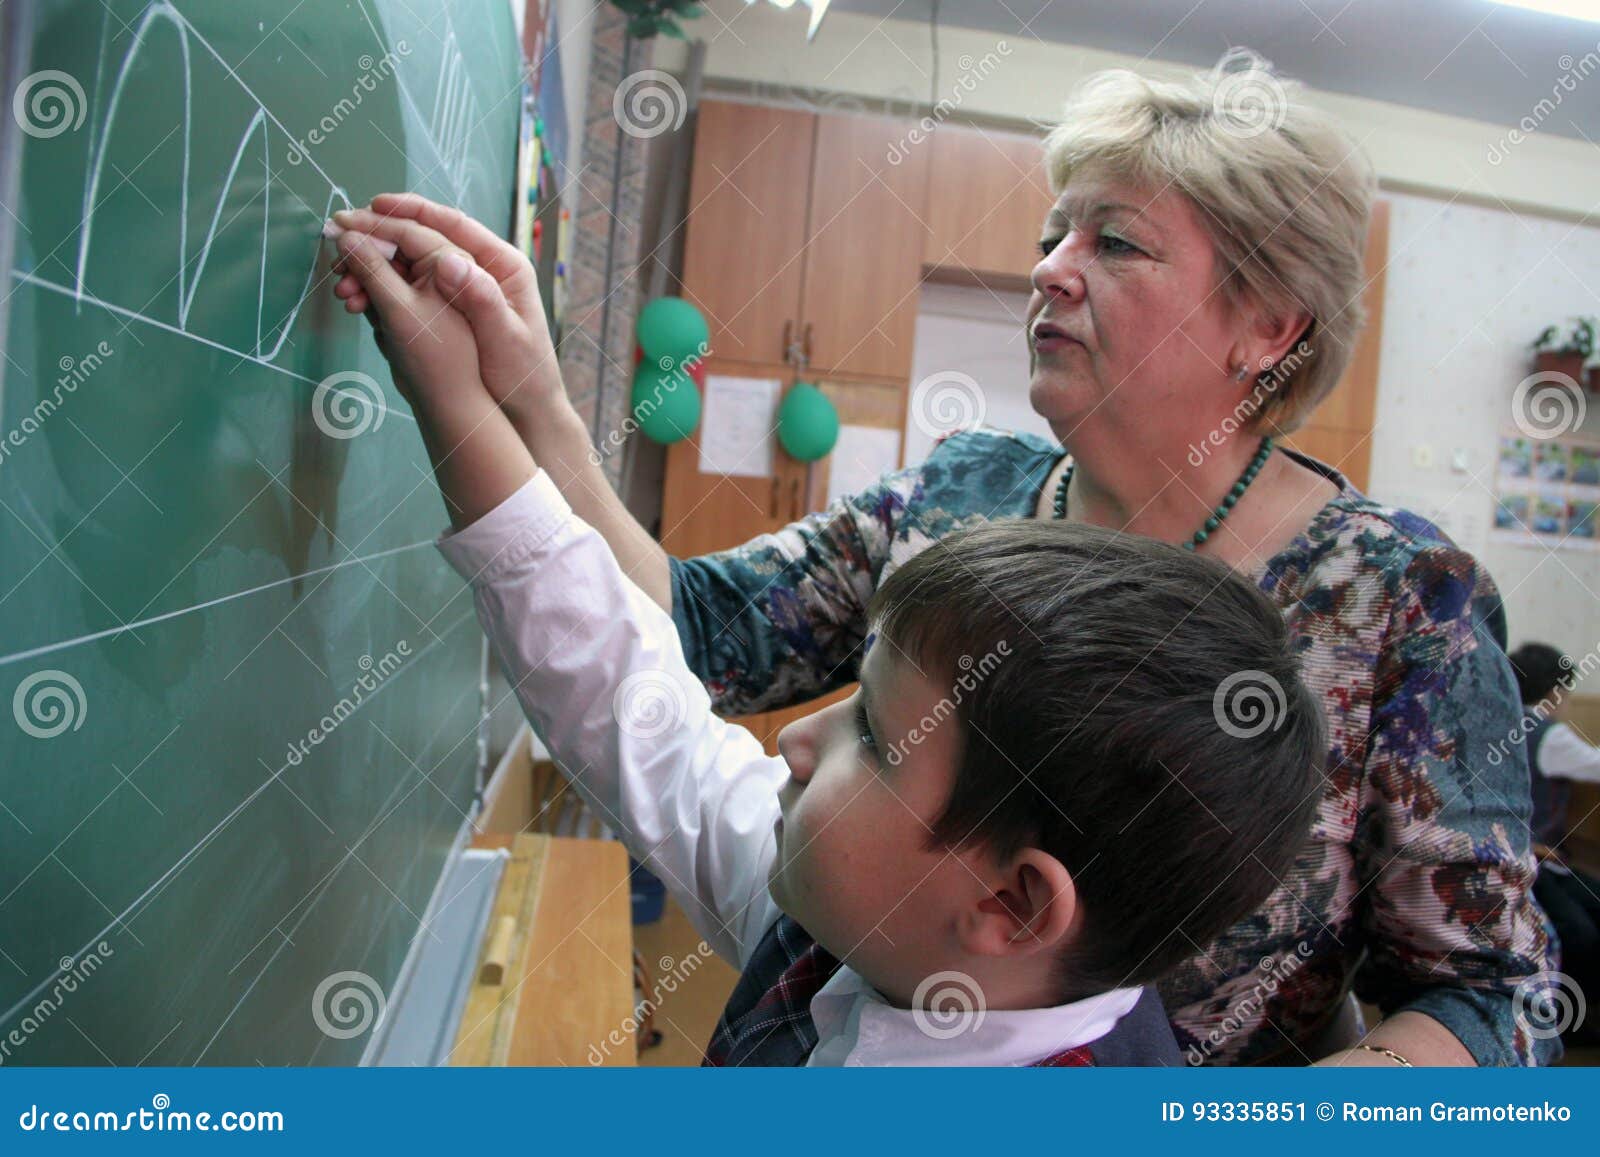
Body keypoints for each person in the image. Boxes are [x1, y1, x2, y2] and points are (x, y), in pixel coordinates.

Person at [327, 49, 1554, 1066]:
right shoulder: (968, 491)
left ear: (1269, 327)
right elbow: (685, 640)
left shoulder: (1403, 599)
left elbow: (1488, 995)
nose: (1047, 269)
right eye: (1051, 231)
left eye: (1113, 244)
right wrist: (536, 402)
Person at [329, 225, 1327, 1066]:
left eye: (876, 741)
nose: (797, 737)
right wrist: (471, 406)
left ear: (1015, 902)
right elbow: (636, 706)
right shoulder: (883, 926)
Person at [1508, 643, 1600, 1047]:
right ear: (1556, 691)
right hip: (1532, 858)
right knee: (1579, 931)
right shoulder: (1549, 732)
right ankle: (1573, 1024)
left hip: (1527, 852)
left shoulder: (1503, 720)